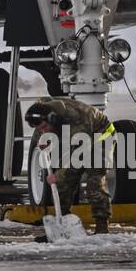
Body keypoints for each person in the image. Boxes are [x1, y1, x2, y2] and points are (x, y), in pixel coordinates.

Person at [25, 98, 113, 234]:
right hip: (75, 140)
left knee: (94, 183)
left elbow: (77, 157)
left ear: (52, 119)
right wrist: (42, 141)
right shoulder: (44, 113)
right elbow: (40, 131)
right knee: (63, 184)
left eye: (44, 128)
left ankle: (102, 227)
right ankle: (63, 224)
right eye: (39, 129)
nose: (42, 131)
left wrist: (58, 174)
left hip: (100, 138)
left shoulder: (77, 118)